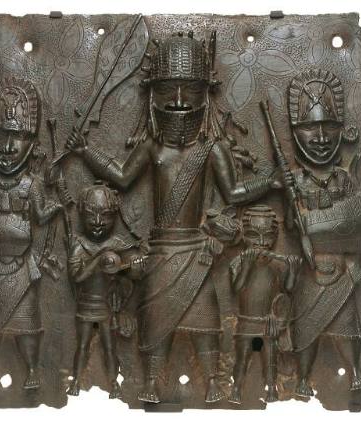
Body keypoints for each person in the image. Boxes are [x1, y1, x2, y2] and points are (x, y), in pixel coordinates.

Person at [65, 31, 281, 404]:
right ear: (154, 97)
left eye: (189, 91)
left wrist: (269, 181)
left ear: (205, 96)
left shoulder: (212, 149)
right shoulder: (152, 146)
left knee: (203, 319)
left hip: (196, 251)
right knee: (156, 318)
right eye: (169, 91)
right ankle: (151, 381)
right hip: (162, 250)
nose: (179, 101)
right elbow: (121, 176)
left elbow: (234, 193)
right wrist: (85, 152)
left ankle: (213, 380)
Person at [0, 77, 62, 389]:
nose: (6, 147)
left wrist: (56, 205)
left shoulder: (31, 185)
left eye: (16, 137)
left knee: (26, 322)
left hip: (21, 267)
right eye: (0, 136)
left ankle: (32, 371)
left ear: (30, 143)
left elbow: (41, 219)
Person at [284, 69, 361, 397]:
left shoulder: (344, 177)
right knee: (306, 324)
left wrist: (322, 230)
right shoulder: (295, 180)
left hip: (340, 267)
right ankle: (302, 379)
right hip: (311, 269)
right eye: (310, 127)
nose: (321, 138)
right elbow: (292, 225)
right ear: (295, 131)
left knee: (347, 323)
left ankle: (355, 373)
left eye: (330, 127)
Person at [66, 181, 145, 398]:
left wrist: (135, 265)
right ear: (81, 215)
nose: (98, 222)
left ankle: (114, 383)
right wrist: (99, 260)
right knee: (82, 346)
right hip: (86, 305)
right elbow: (77, 276)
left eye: (106, 215)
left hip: (107, 307)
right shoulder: (79, 245)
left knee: (110, 347)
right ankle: (76, 381)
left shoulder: (118, 243)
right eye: (91, 215)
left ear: (115, 216)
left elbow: (132, 270)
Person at [228, 205, 300, 404]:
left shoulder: (277, 264)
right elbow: (237, 289)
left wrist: (293, 271)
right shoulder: (238, 262)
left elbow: (287, 290)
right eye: (254, 235)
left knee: (270, 360)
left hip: (269, 323)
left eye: (267, 236)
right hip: (246, 322)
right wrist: (247, 266)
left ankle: (271, 389)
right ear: (244, 235)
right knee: (242, 358)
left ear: (275, 237)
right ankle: (236, 388)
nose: (260, 242)